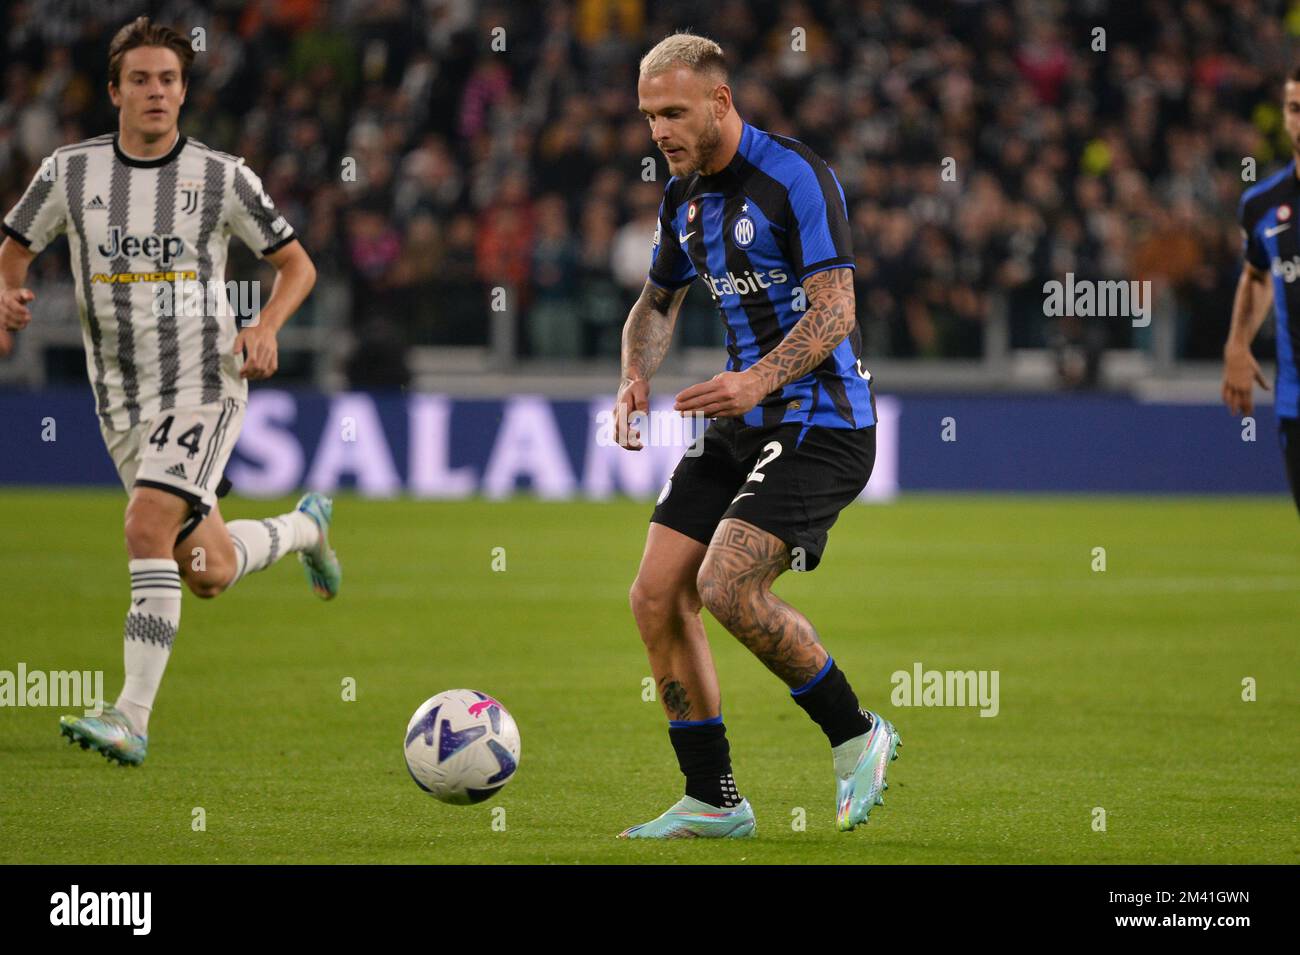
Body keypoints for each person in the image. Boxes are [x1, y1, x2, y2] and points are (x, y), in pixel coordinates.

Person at [0, 17, 340, 766]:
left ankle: (131, 715)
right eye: (142, 80)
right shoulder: (69, 172)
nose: (157, 92)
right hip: (120, 400)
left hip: (203, 381)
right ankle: (306, 528)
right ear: (115, 90)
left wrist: (266, 326)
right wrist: (7, 297)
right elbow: (15, 248)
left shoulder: (222, 177)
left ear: (184, 92)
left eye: (170, 80)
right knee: (207, 570)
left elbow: (297, 265)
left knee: (145, 527)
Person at [612, 32, 899, 838]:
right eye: (647, 116)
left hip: (825, 421)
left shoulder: (794, 178)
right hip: (744, 422)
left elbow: (836, 306)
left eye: (673, 112)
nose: (659, 131)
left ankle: (857, 732)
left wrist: (755, 379)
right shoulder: (683, 198)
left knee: (727, 585)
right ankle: (714, 796)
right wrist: (635, 373)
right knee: (655, 594)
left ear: (720, 101)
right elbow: (657, 304)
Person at [1223, 66, 1300, 515]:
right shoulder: (1262, 205)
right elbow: (1257, 275)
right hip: (1295, 403)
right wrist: (1237, 344)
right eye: (1294, 108)